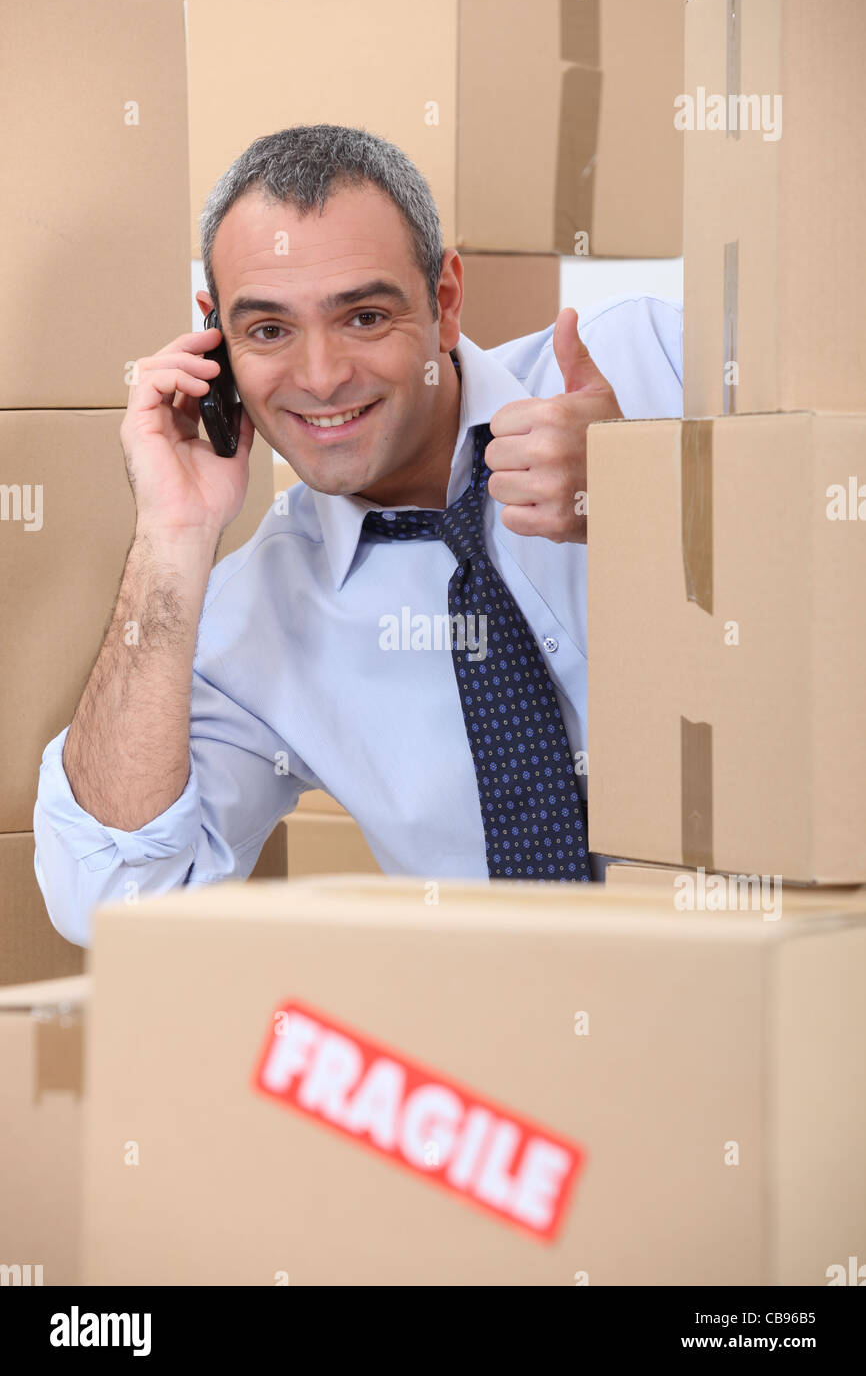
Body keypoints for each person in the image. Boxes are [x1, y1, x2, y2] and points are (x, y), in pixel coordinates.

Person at [33, 124, 683, 948]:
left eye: (365, 316)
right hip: (528, 1047)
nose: (320, 376)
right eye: (268, 330)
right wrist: (171, 533)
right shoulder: (263, 611)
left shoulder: (658, 361)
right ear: (217, 340)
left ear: (445, 301)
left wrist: (659, 489)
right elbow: (111, 897)